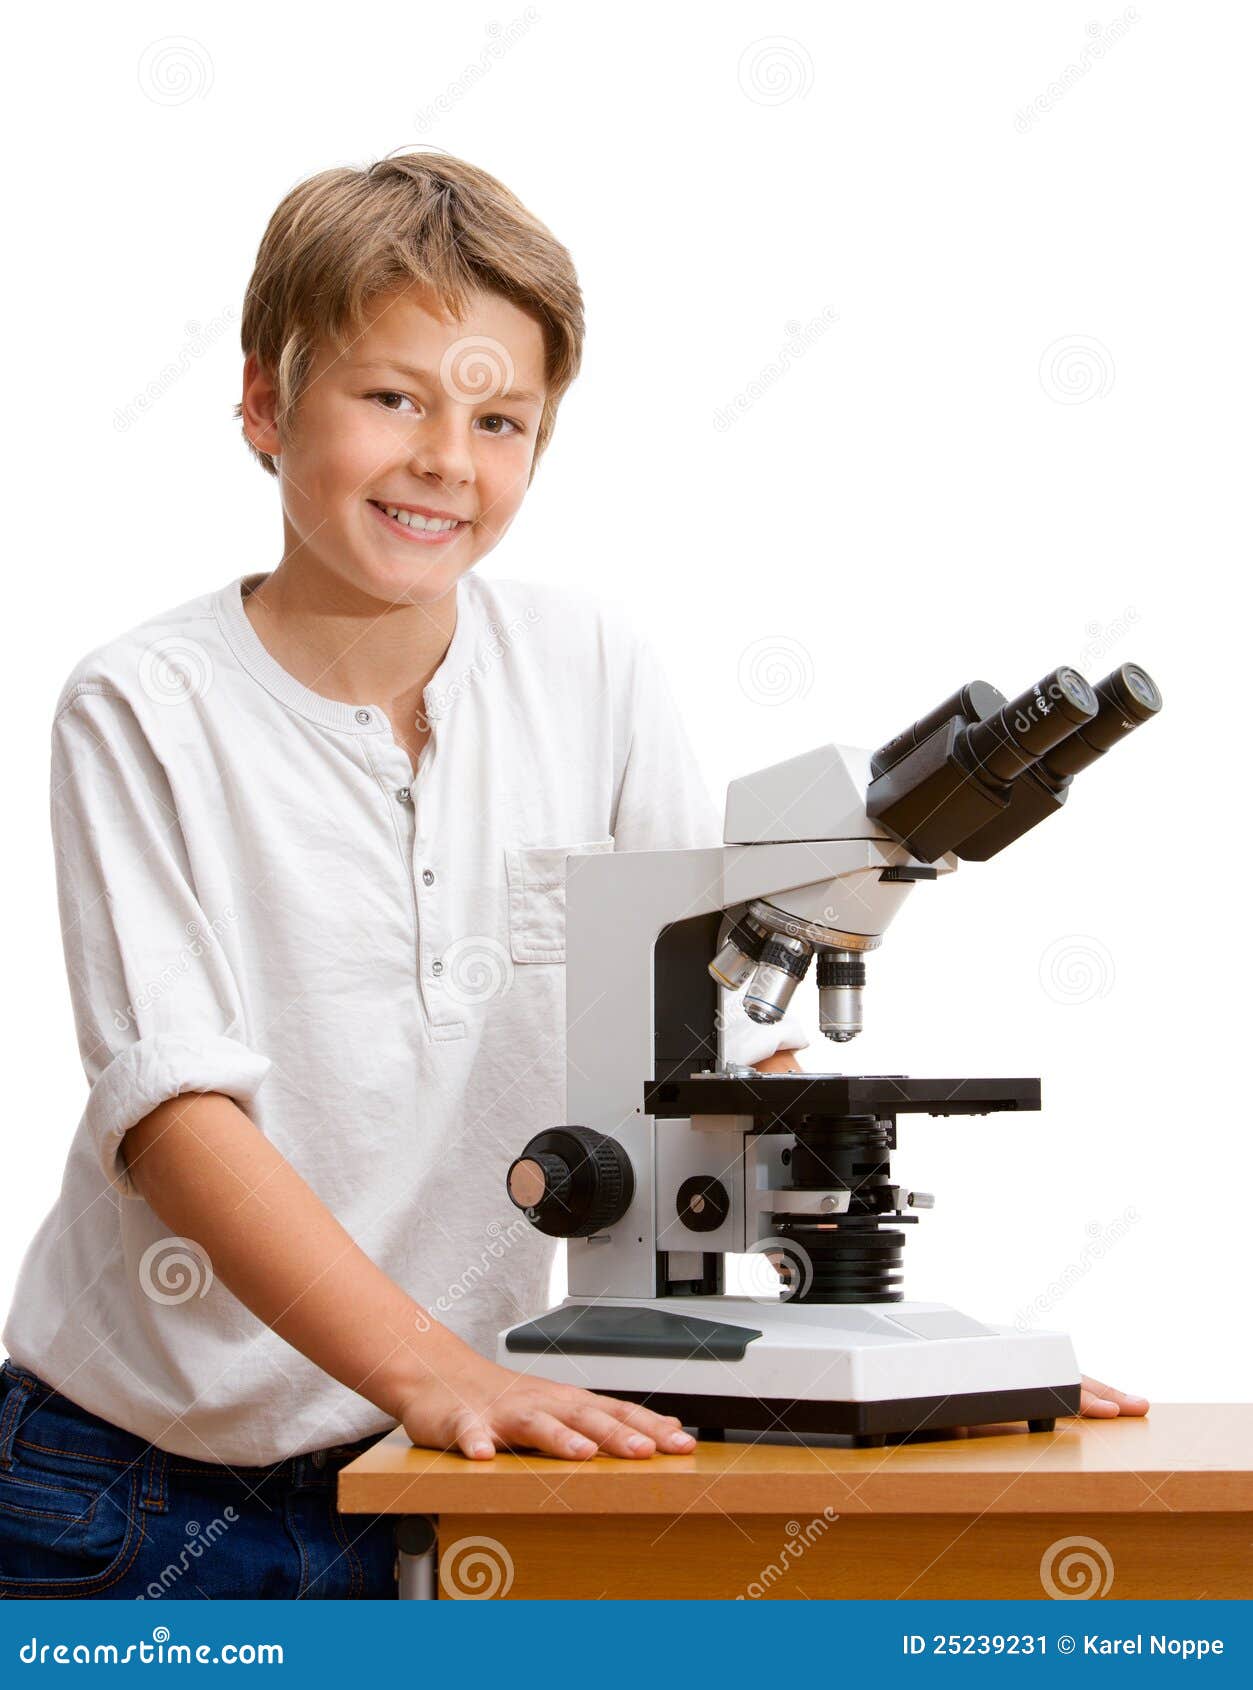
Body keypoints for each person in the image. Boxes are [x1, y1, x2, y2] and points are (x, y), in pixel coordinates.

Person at [0, 151, 1146, 1600]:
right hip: (132, 1487)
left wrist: (931, 1369)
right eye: (392, 397)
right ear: (262, 406)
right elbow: (175, 1115)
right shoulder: (143, 705)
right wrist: (429, 1370)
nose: (444, 459)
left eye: (499, 419)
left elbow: (696, 1046)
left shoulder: (589, 666)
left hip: (453, 1460)